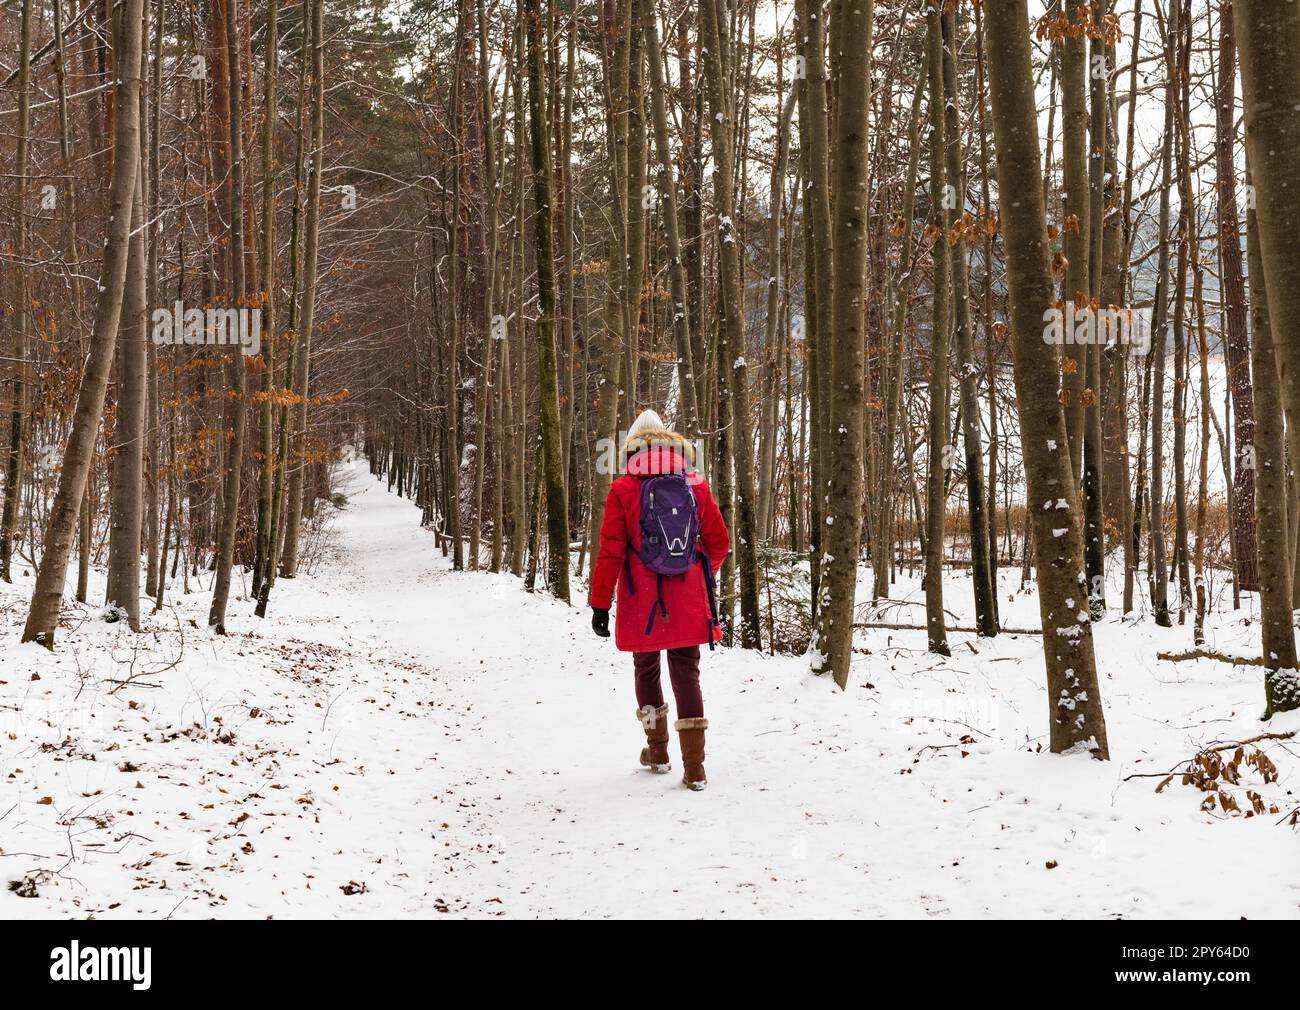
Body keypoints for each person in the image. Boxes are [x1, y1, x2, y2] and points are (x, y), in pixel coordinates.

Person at [589, 410, 730, 790]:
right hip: (687, 599)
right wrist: (701, 576)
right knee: (687, 674)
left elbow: (610, 553)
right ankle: (696, 767)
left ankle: (658, 748)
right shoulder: (696, 484)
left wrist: (600, 603)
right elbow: (720, 542)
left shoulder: (622, 490)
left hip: (641, 601)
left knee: (646, 670)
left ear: (632, 446)